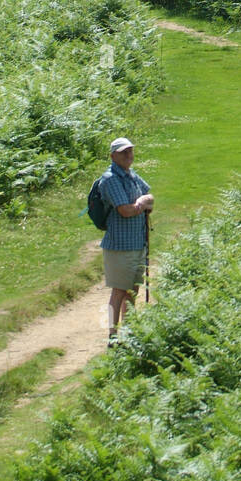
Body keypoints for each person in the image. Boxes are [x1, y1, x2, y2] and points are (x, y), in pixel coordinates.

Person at [98, 137, 153, 342]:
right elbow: (125, 210)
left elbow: (150, 198)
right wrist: (141, 203)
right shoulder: (111, 179)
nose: (128, 155)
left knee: (132, 290)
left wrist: (142, 202)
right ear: (113, 156)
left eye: (130, 151)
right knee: (119, 291)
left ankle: (129, 332)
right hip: (120, 246)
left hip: (137, 243)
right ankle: (112, 334)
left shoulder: (131, 175)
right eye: (123, 152)